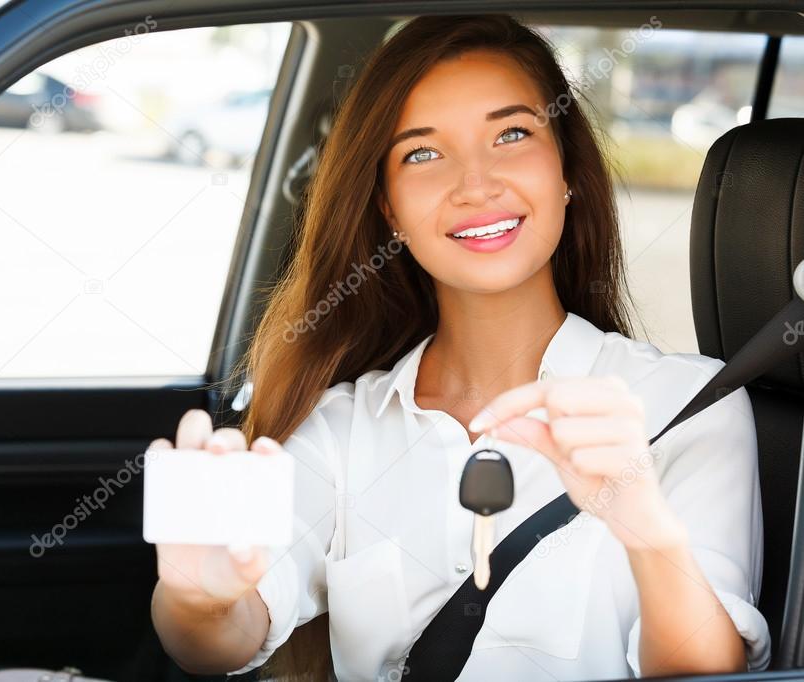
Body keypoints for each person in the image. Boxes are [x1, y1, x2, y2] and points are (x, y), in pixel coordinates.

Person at [149, 14, 769, 681]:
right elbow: (227, 636)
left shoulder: (690, 406)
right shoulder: (340, 428)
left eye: (511, 134)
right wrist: (198, 598)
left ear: (565, 170)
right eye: (421, 152)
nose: (475, 184)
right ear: (387, 207)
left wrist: (644, 527)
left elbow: (708, 673)